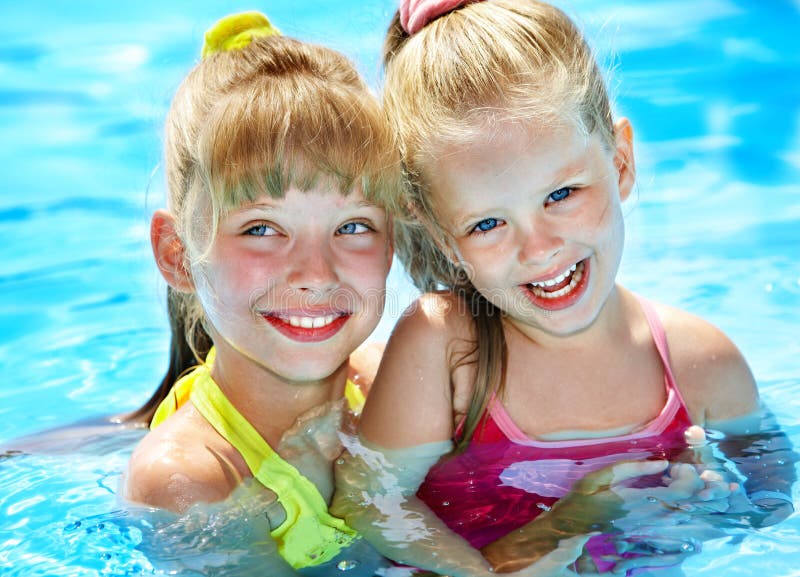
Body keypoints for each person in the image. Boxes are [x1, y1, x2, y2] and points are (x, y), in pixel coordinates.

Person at [331, 1, 796, 576]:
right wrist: (567, 524)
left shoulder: (701, 363)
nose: (539, 248)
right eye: (486, 224)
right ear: (443, 237)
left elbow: (772, 501)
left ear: (620, 163)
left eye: (561, 195)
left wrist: (710, 511)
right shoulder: (446, 350)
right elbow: (367, 504)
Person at [122, 11, 400, 576]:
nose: (316, 273)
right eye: (262, 230)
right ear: (177, 252)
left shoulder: (384, 385)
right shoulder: (190, 481)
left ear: (397, 237)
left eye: (352, 226)